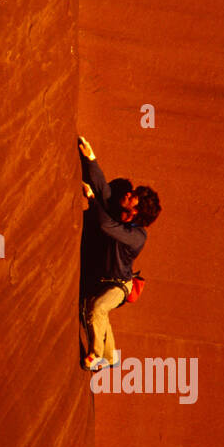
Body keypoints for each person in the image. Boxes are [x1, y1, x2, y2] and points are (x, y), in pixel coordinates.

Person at [78, 135, 161, 371]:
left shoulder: (137, 236)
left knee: (98, 309)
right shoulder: (117, 211)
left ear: (134, 212)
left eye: (132, 197)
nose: (127, 194)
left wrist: (92, 200)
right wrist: (91, 158)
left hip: (119, 285)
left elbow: (105, 224)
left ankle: (95, 357)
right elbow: (103, 188)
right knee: (93, 309)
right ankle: (111, 356)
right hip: (103, 279)